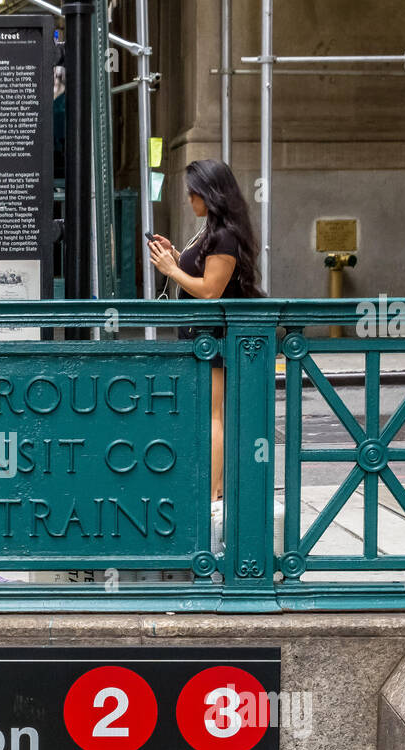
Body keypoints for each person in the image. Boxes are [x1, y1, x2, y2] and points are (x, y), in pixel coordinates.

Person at [148, 158, 264, 552]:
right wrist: (177, 254)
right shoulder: (211, 232)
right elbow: (202, 272)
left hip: (213, 337)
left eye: (194, 191)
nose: (188, 197)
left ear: (210, 194)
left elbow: (211, 289)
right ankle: (209, 489)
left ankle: (213, 495)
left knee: (213, 414)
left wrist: (171, 269)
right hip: (200, 337)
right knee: (204, 412)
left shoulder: (225, 236)